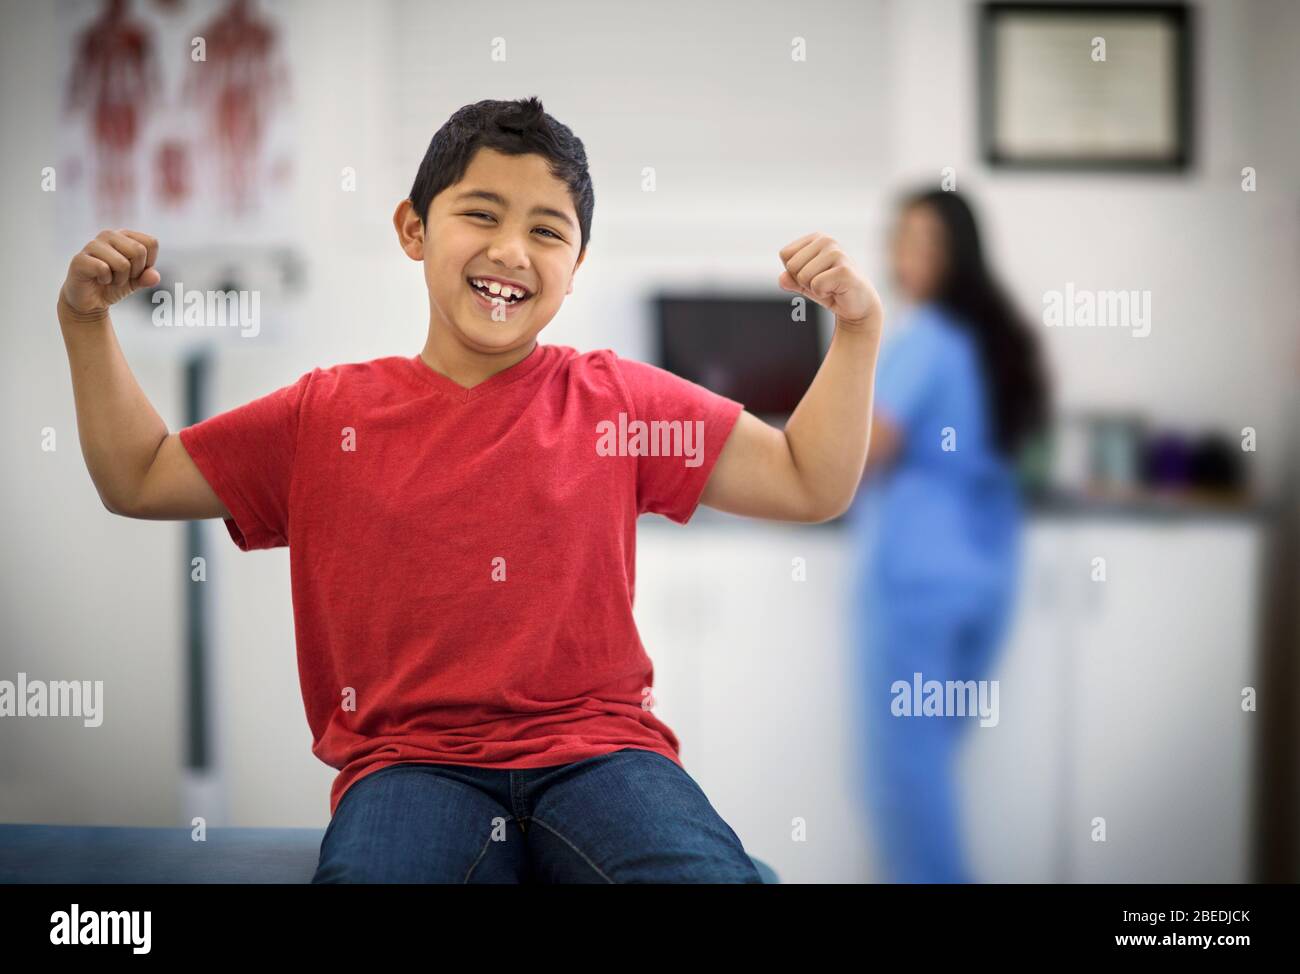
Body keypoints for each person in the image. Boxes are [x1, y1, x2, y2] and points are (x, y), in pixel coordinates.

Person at [55, 97, 887, 883]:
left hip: (602, 758)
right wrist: (85, 323)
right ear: (414, 229)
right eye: (481, 214)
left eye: (547, 231)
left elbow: (807, 481)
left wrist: (856, 330)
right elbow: (139, 476)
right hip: (411, 767)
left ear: (576, 267)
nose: (511, 251)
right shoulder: (325, 413)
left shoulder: (621, 403)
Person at [848, 188, 1052, 884]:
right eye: (900, 239)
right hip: (982, 582)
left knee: (910, 784)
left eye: (922, 242)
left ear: (955, 255)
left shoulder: (928, 338)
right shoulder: (989, 343)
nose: (905, 257)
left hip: (918, 585)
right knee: (931, 765)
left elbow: (863, 450)